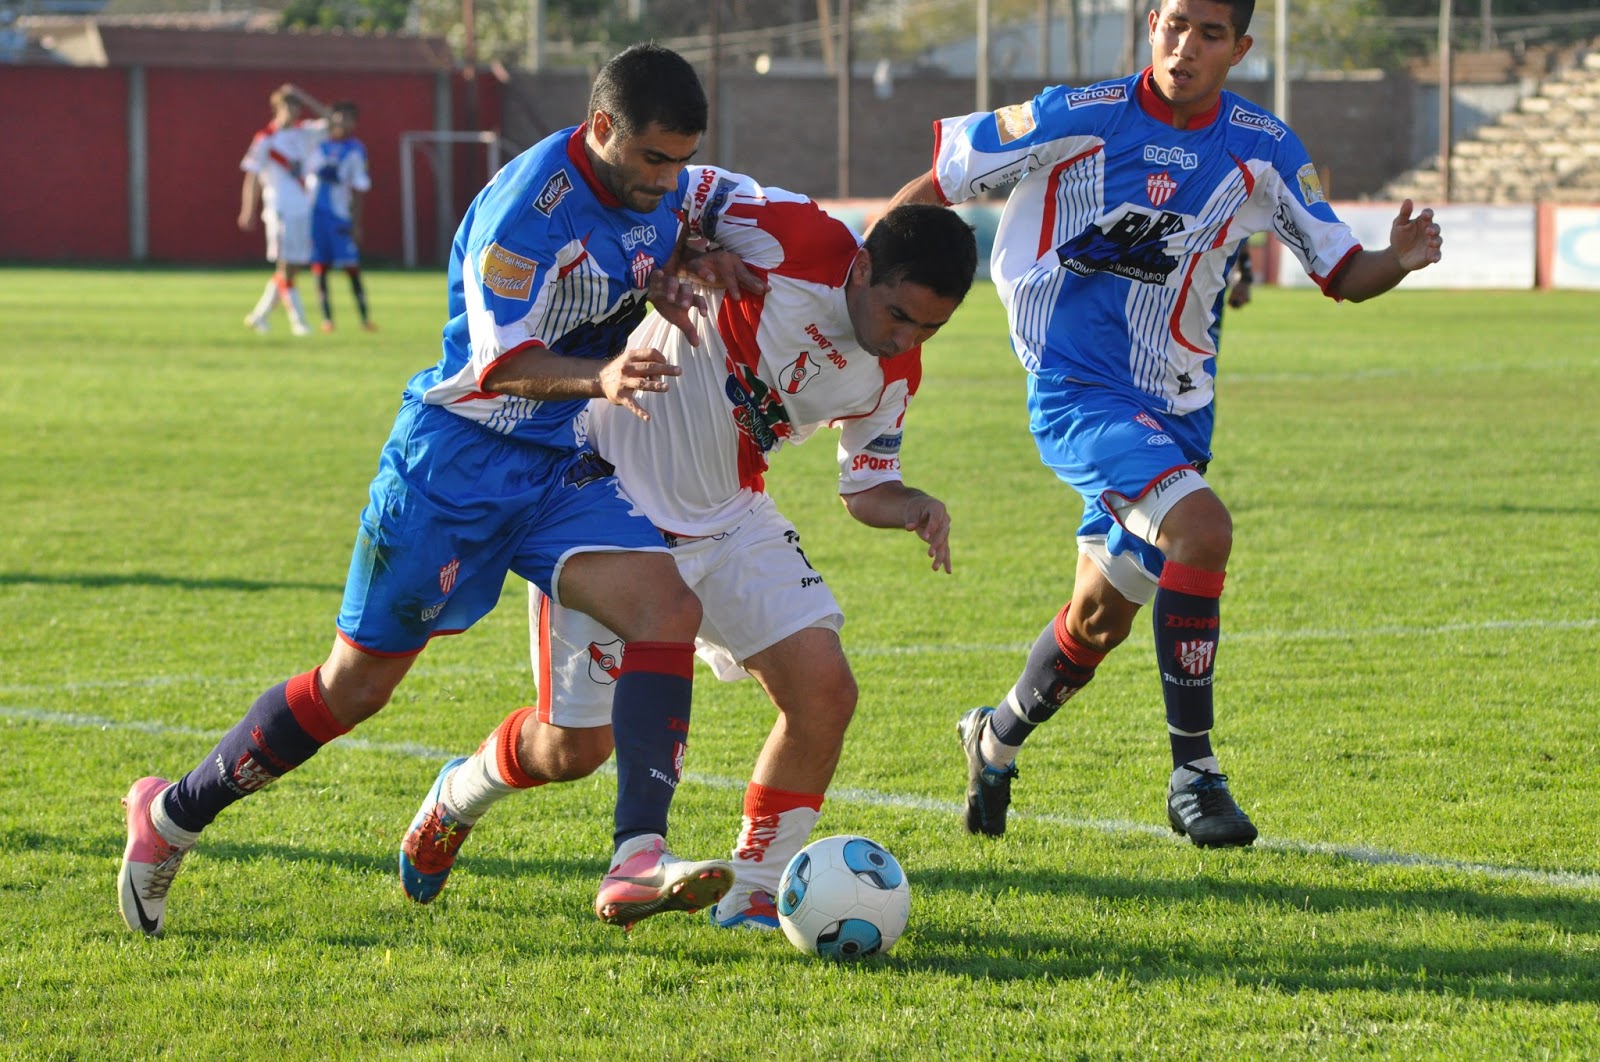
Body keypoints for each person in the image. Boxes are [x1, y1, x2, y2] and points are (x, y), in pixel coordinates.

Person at [118, 42, 762, 938]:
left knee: (665, 612)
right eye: (655, 158)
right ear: (603, 128)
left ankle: (637, 859)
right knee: (354, 690)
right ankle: (171, 815)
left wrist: (690, 260)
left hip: (555, 468)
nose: (669, 178)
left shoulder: (656, 188)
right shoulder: (524, 212)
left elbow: (657, 239)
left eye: (682, 159)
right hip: (452, 465)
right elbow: (501, 367)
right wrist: (604, 378)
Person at [890, 0, 1443, 846]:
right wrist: (866, 282)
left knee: (1098, 620)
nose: (1185, 46)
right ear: (1150, 22)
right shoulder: (1077, 116)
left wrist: (1397, 261)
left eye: (1209, 33)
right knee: (1203, 529)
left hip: (1180, 408)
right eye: (1174, 23)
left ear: (1240, 48)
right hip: (1076, 391)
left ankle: (992, 740)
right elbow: (941, 182)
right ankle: (1196, 775)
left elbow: (1342, 270)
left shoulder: (1263, 147)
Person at [395, 192, 979, 929]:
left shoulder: (894, 373)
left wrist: (912, 505)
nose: (907, 339)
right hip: (608, 503)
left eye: (932, 327)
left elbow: (864, 485)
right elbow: (673, 194)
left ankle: (757, 885)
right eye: (900, 315)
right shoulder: (795, 236)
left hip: (731, 514)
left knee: (824, 692)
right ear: (862, 269)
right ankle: (457, 796)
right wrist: (688, 251)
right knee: (569, 750)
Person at [239, 83, 327, 336]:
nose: (293, 110)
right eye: (289, 105)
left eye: (296, 105)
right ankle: (299, 322)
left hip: (302, 208)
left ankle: (259, 316)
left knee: (293, 267)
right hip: (279, 208)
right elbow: (252, 176)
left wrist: (304, 94)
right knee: (285, 265)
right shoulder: (266, 138)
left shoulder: (305, 132)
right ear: (277, 107)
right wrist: (248, 210)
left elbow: (333, 122)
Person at [305, 100, 376, 333]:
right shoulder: (316, 141)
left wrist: (357, 223)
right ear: (331, 118)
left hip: (340, 216)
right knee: (320, 268)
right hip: (316, 216)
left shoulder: (356, 149)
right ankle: (327, 320)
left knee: (351, 267)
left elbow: (359, 189)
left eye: (349, 118)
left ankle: (365, 318)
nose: (344, 123)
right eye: (339, 117)